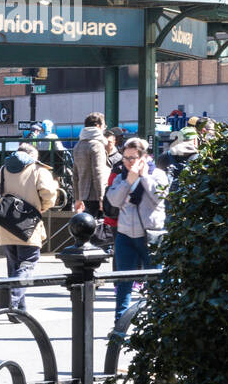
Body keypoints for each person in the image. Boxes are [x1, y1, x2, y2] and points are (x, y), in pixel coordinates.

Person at [107, 138, 169, 329]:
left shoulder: (157, 174)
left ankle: (159, 322)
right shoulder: (121, 176)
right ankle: (120, 325)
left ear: (144, 157)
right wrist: (128, 182)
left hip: (150, 234)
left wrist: (144, 178)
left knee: (155, 281)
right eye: (125, 157)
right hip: (125, 234)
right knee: (124, 281)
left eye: (132, 158)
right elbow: (113, 200)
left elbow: (160, 195)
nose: (128, 162)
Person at [0, 142, 58, 316]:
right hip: (28, 222)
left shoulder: (3, 169)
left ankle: (18, 311)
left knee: (14, 266)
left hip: (6, 223)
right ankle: (12, 300)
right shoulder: (38, 169)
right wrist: (42, 208)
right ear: (33, 156)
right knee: (28, 263)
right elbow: (49, 194)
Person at [71, 112, 108, 219]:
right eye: (104, 126)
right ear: (97, 126)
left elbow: (75, 175)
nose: (104, 129)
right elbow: (98, 173)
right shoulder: (96, 145)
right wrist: (102, 197)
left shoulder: (79, 145)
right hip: (96, 195)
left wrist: (77, 198)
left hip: (84, 195)